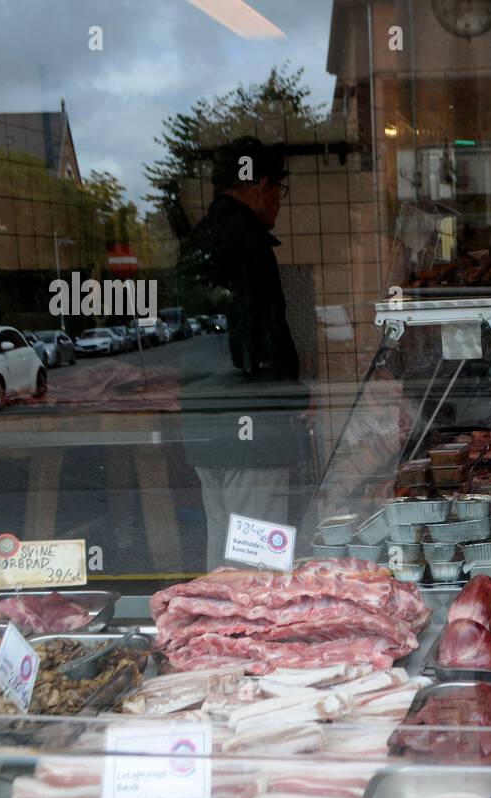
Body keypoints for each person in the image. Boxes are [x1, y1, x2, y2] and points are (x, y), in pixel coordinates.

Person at [177, 136, 310, 570]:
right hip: (252, 429)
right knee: (259, 565)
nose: (278, 202)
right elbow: (262, 339)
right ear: (260, 185)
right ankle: (253, 638)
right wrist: (295, 395)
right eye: (279, 191)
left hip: (204, 424)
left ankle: (215, 635)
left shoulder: (196, 243)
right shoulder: (248, 245)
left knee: (222, 551)